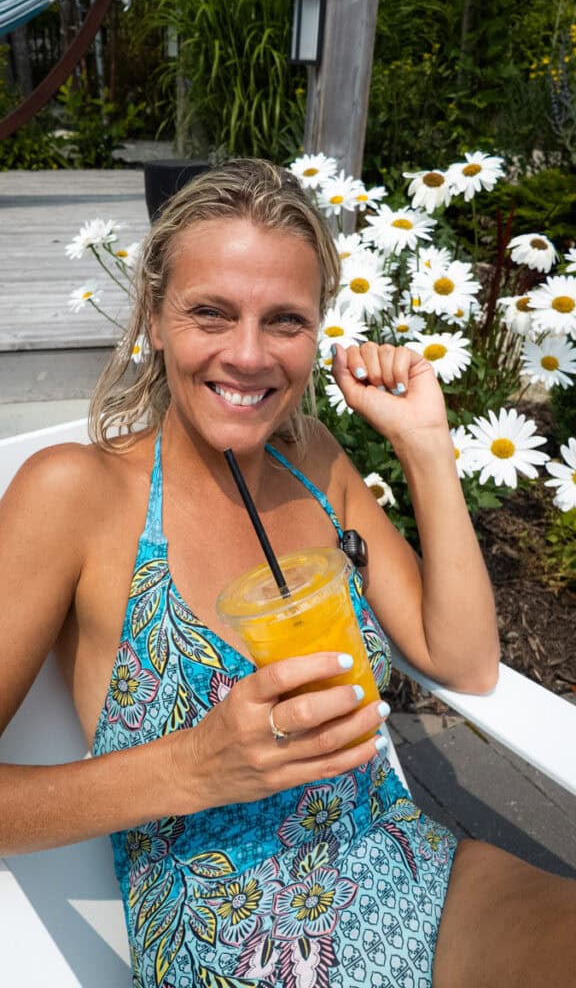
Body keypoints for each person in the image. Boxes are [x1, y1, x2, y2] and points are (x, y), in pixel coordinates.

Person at [0, 158, 574, 988]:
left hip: (410, 866)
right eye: (210, 312)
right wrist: (194, 766)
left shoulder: (312, 460)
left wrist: (424, 445)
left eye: (286, 321)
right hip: (247, 949)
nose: (248, 355)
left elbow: (462, 658)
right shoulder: (75, 495)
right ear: (153, 319)